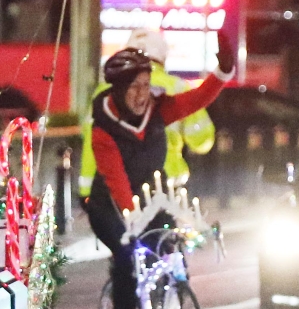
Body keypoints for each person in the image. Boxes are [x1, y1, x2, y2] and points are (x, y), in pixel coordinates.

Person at [84, 35, 232, 309]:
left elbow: (198, 98)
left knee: (172, 248)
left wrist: (223, 69)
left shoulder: (158, 110)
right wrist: (132, 222)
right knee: (126, 260)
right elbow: (117, 182)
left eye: (146, 86)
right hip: (109, 204)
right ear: (119, 91)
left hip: (152, 196)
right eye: (134, 88)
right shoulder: (103, 129)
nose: (141, 95)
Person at [78, 27, 215, 196]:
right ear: (162, 56)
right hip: (165, 188)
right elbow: (201, 140)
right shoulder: (177, 87)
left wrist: (86, 192)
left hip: (115, 189)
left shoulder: (104, 91)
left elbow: (90, 139)